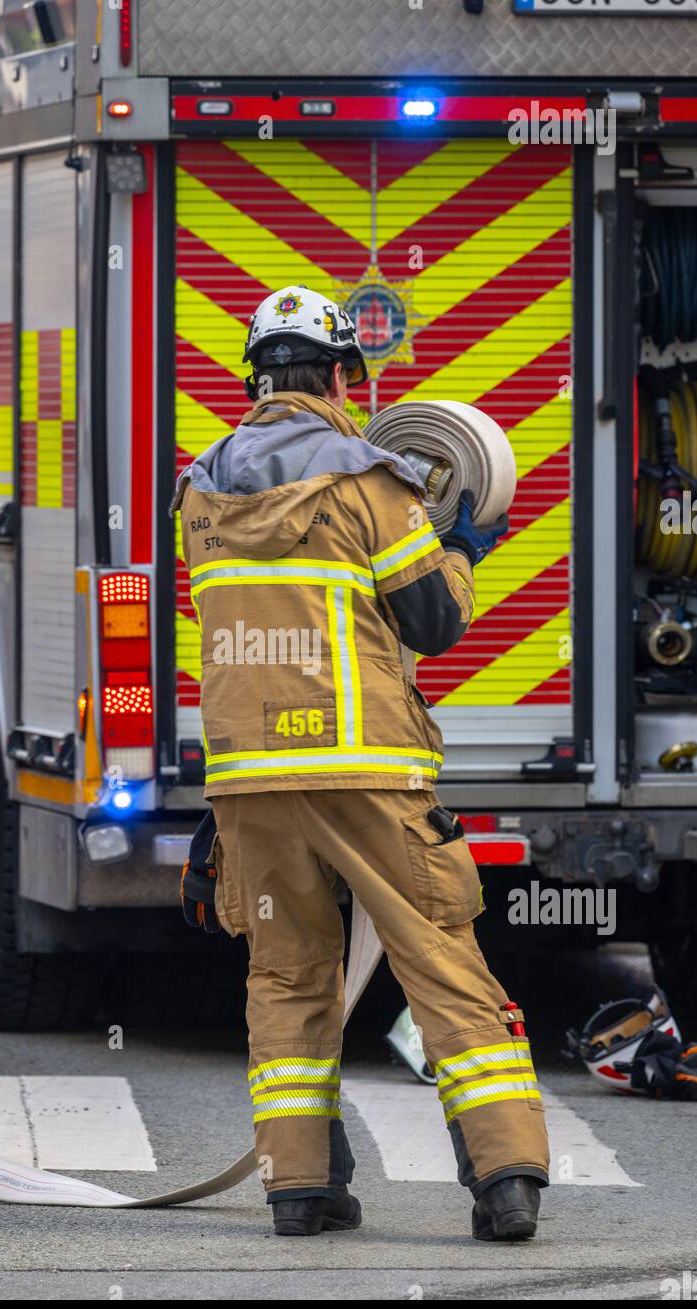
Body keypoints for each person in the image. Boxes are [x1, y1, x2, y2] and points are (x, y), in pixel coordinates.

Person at [171, 285, 549, 1240]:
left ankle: (299, 1188)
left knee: (288, 976)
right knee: (440, 963)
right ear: (343, 377)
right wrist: (462, 545)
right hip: (366, 766)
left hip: (249, 782)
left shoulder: (201, 492)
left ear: (256, 379)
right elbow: (435, 619)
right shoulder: (374, 483)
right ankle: (506, 1181)